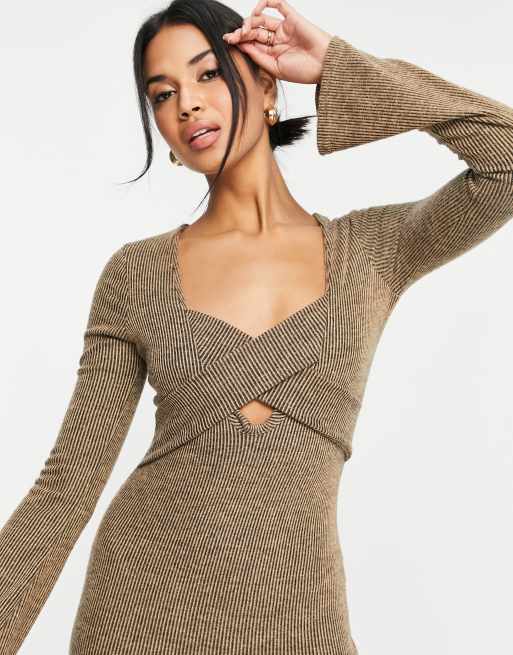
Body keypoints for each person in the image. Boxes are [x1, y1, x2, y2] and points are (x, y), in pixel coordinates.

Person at [1, 0, 512, 652]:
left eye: (208, 73)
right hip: (140, 611)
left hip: (303, 614)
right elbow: (66, 487)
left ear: (267, 85)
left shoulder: (373, 252)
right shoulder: (138, 275)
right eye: (163, 94)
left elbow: (505, 161)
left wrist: (338, 66)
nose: (187, 104)